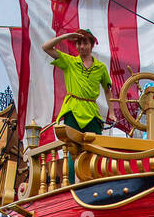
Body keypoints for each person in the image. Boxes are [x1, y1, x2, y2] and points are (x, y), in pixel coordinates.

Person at [42, 29, 116, 182]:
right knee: (72, 149)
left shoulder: (100, 68)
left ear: (92, 45)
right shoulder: (70, 62)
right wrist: (66, 37)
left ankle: (94, 183)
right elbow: (46, 47)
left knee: (95, 148)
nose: (83, 47)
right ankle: (70, 185)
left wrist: (112, 112)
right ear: (76, 45)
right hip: (73, 110)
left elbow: (108, 91)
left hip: (91, 112)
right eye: (80, 43)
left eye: (86, 43)